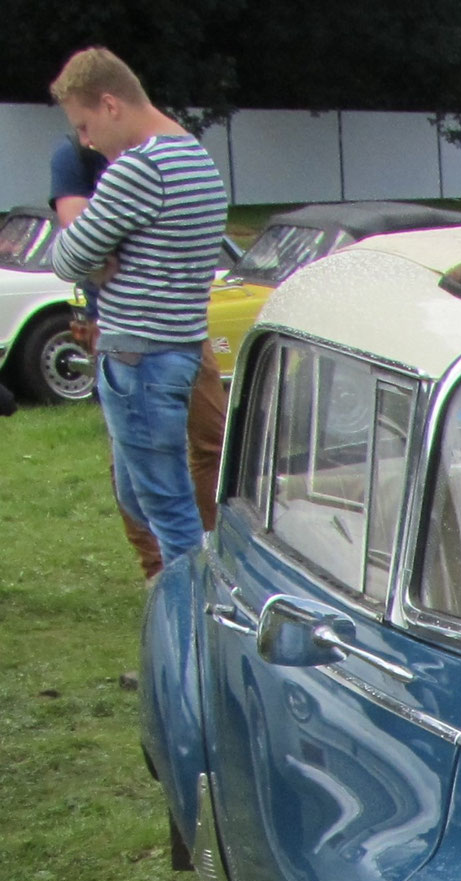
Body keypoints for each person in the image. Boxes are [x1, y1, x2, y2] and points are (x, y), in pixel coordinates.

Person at [47, 47, 226, 573]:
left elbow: (67, 256)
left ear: (110, 105)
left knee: (171, 516)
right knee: (140, 495)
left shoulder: (139, 169)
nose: (85, 141)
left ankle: (191, 641)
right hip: (177, 349)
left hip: (138, 360)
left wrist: (97, 253)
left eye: (84, 124)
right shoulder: (195, 156)